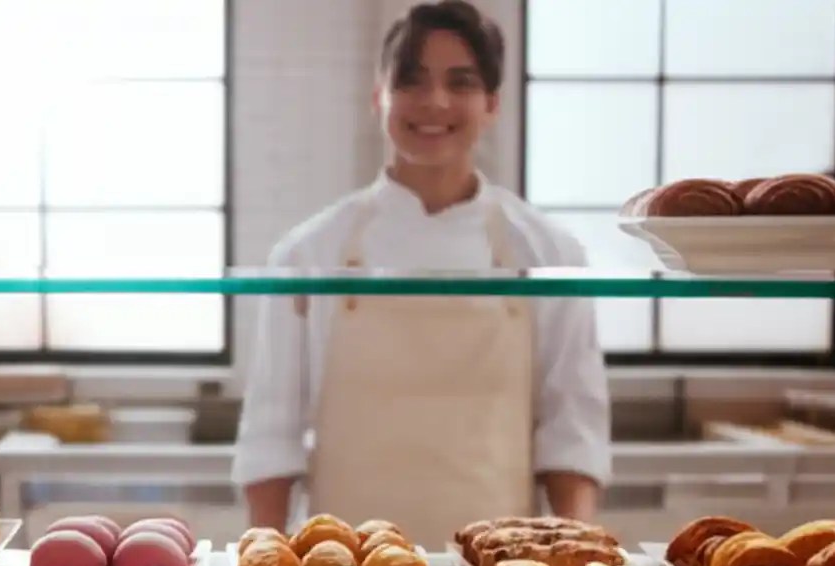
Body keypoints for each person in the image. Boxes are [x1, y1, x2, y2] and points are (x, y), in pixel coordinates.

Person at [232, 1, 610, 537]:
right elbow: (271, 434)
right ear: (377, 98)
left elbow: (573, 428)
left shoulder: (551, 253)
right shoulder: (309, 252)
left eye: (461, 83)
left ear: (492, 104)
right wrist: (263, 563)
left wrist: (575, 562)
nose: (435, 102)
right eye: (411, 81)